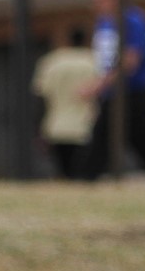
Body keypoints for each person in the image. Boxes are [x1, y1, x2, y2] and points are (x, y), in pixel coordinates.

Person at [83, 0, 145, 178]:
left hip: (133, 93)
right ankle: (86, 179)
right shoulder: (103, 23)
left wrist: (99, 85)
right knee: (99, 143)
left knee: (142, 142)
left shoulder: (133, 20)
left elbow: (130, 60)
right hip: (110, 94)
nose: (95, 0)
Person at [34, 29, 98, 179]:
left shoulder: (51, 61)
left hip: (56, 126)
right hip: (86, 125)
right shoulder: (94, 60)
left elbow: (40, 96)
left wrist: (38, 128)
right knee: (83, 174)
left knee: (63, 173)